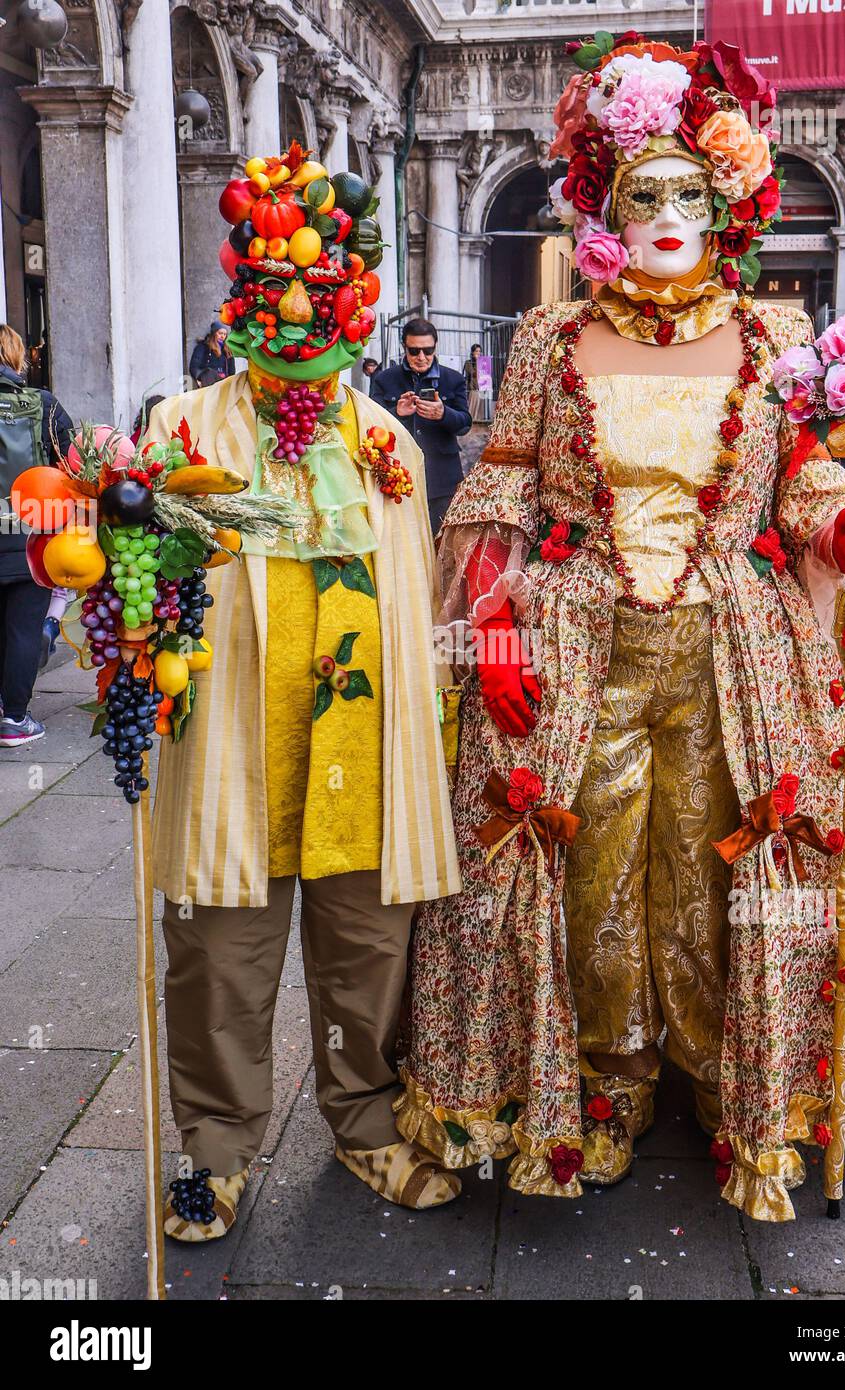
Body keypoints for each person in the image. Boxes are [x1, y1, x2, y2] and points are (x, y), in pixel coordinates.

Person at [396, 36, 845, 1220]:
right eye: (639, 191)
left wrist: (836, 532)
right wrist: (488, 639)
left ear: (722, 202)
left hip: (731, 647)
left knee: (727, 877)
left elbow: (798, 484)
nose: (662, 211)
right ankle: (602, 1079)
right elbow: (497, 500)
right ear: (604, 202)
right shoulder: (547, 341)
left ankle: (727, 1075)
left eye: (683, 191)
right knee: (586, 874)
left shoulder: (775, 339)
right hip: (574, 642)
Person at [147, 143, 460, 1244]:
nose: (293, 306)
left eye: (320, 288)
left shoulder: (387, 444)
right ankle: (217, 1150)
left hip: (360, 752)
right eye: (274, 284)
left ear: (354, 303)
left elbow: (418, 602)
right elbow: (148, 584)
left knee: (368, 955)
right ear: (238, 288)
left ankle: (364, 1120)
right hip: (230, 744)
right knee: (218, 962)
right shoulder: (179, 429)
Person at [0, 323, 73, 745]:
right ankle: (14, 718)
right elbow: (72, 462)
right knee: (24, 629)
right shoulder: (42, 404)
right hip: (30, 535)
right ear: (15, 358)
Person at [370, 319, 471, 535]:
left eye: (428, 350)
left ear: (435, 346)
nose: (422, 357)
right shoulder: (384, 379)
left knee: (441, 542)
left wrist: (444, 414)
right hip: (398, 477)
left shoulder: (452, 379)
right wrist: (396, 414)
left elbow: (464, 424)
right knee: (403, 542)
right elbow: (371, 427)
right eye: (414, 351)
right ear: (404, 348)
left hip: (442, 478)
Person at [188, 322, 235, 388]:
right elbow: (194, 366)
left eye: (225, 334)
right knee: (210, 373)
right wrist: (198, 379)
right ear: (214, 333)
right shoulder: (203, 347)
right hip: (208, 381)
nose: (222, 336)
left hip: (223, 382)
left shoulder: (227, 350)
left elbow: (232, 371)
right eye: (220, 333)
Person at [464, 343, 489, 424]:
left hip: (482, 388)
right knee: (471, 409)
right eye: (476, 351)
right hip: (473, 389)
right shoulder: (468, 363)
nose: (478, 353)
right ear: (472, 352)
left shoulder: (484, 362)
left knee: (481, 411)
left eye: (479, 351)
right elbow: (473, 373)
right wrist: (479, 362)